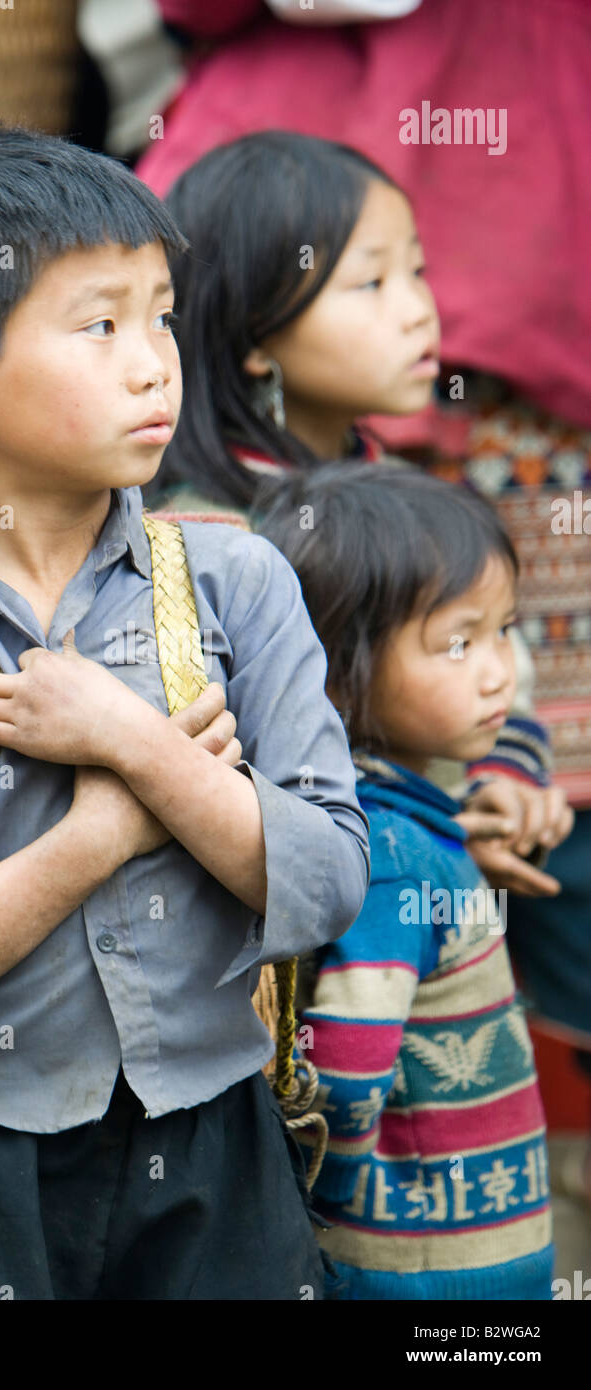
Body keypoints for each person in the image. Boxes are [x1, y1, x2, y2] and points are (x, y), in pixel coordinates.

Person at [0, 122, 370, 1300]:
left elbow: (324, 882)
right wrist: (111, 827)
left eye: (160, 315)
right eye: (99, 325)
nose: (154, 361)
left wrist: (135, 744)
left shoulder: (235, 582)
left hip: (210, 1140)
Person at [143, 130, 573, 905]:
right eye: (371, 284)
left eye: (417, 272)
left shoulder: (403, 492)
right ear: (255, 336)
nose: (419, 313)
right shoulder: (207, 541)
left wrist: (500, 784)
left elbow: (492, 661)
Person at [257, 462, 555, 1299]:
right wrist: (328, 1202)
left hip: (470, 1241)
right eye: (461, 642)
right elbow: (348, 1068)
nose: (500, 670)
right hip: (426, 1264)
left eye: (505, 631)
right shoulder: (389, 850)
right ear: (341, 666)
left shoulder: (414, 820)